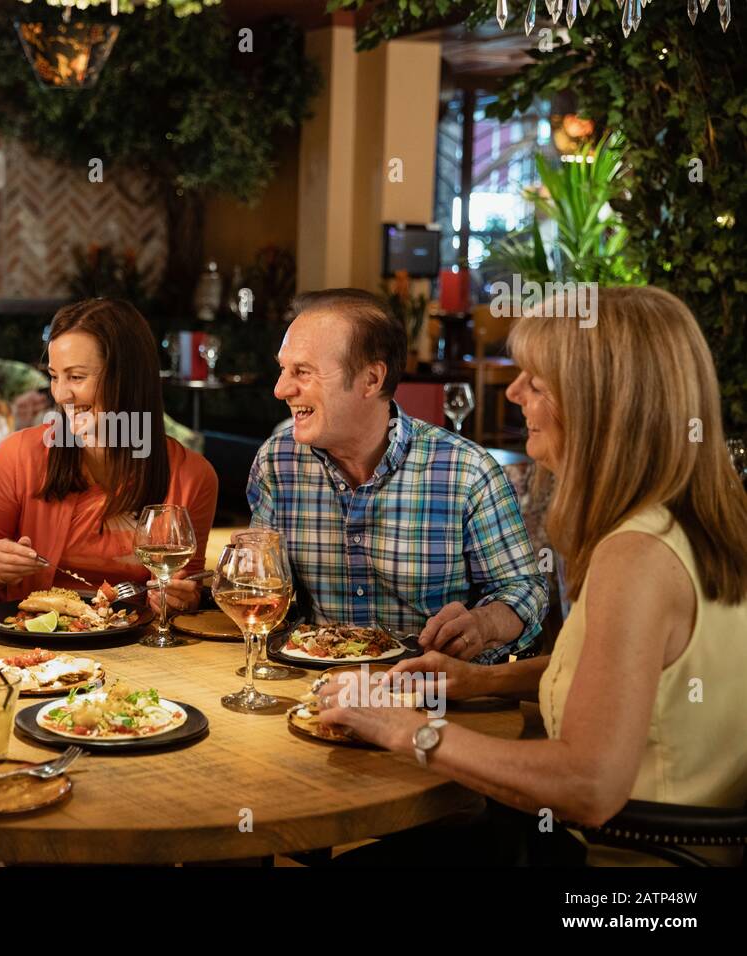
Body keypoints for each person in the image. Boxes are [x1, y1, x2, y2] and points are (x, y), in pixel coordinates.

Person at [318, 286, 747, 865]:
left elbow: (588, 785)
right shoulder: (693, 520)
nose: (514, 392)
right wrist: (479, 682)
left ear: (599, 407)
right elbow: (625, 668)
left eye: (536, 383)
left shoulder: (637, 555)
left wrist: (403, 729)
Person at [247, 289, 547, 662]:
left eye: (303, 372)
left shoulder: (466, 472)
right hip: (312, 694)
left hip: (430, 694)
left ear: (371, 379)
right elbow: (261, 587)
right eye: (283, 369)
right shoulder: (276, 464)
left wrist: (483, 623)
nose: (281, 389)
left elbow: (524, 590)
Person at [0, 299, 217, 609]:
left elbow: (183, 587)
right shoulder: (20, 454)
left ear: (128, 378)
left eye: (76, 377)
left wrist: (181, 599)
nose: (61, 394)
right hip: (34, 638)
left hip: (135, 642)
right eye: (55, 376)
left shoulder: (192, 477)